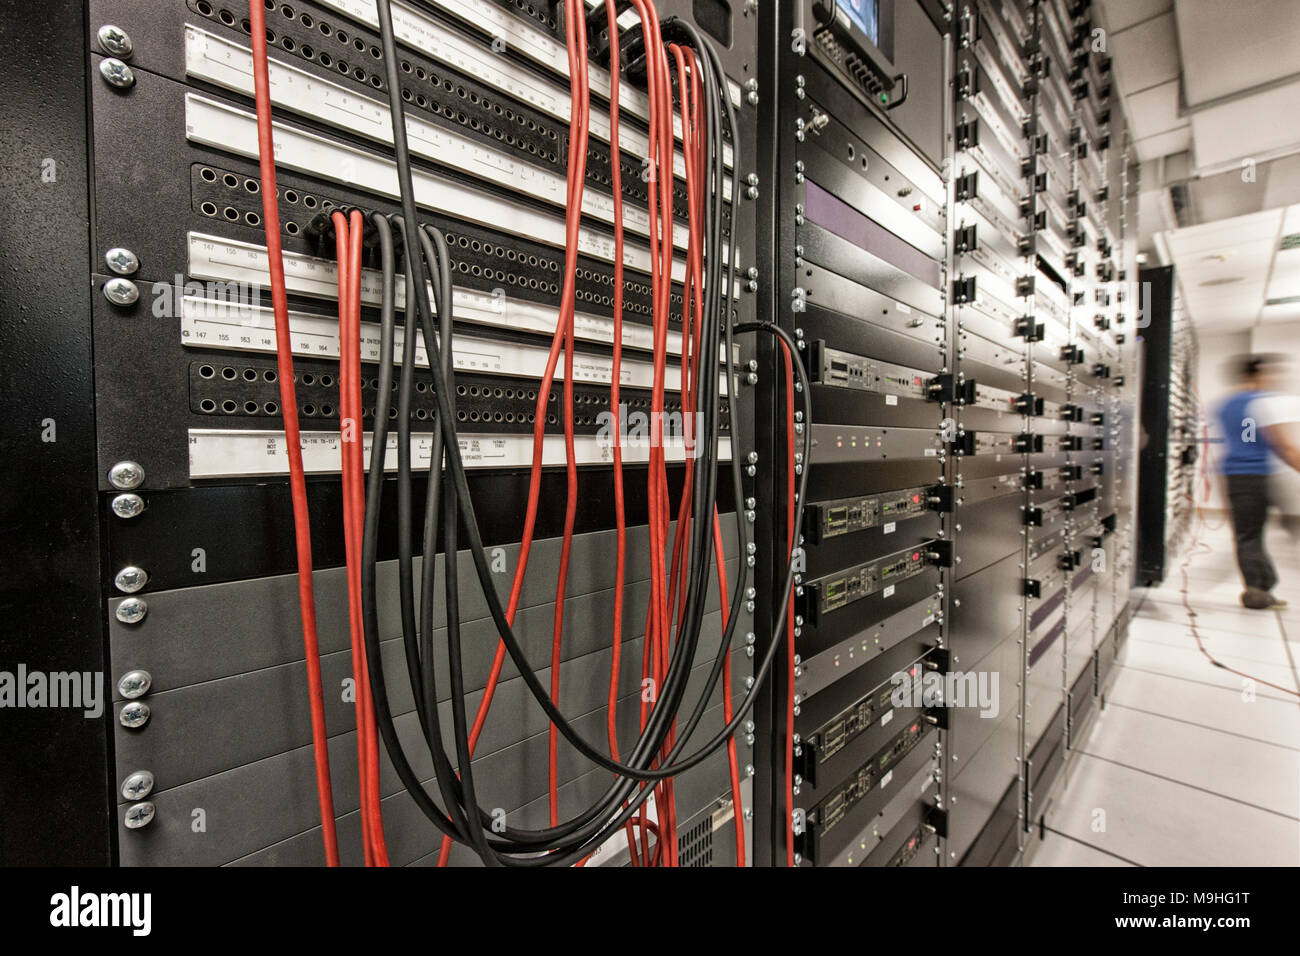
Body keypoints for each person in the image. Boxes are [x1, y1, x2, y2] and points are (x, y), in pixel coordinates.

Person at [1216, 354, 1300, 609]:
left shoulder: (1226, 404)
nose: (1273, 379)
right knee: (1257, 534)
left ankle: (1260, 587)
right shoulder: (1259, 403)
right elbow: (1283, 446)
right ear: (1256, 375)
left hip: (1236, 477)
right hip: (1257, 476)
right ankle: (1258, 590)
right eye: (1269, 374)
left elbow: (1239, 442)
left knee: (1247, 535)